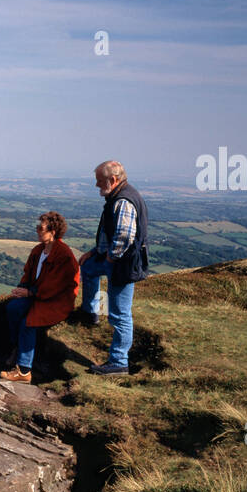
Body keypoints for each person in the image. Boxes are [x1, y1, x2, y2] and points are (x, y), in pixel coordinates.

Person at [72, 159, 149, 375]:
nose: (97, 185)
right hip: (110, 258)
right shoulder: (118, 196)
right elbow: (111, 233)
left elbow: (124, 236)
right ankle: (91, 313)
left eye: (99, 180)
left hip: (122, 264)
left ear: (113, 180)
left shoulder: (123, 200)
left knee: (119, 314)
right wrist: (95, 252)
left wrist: (110, 259)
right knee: (87, 268)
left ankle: (119, 362)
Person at [0, 211, 80, 383]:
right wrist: (21, 289)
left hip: (56, 301)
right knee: (13, 308)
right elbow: (28, 274)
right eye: (37, 227)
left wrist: (30, 293)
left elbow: (57, 286)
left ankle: (23, 371)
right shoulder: (38, 250)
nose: (37, 230)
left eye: (41, 228)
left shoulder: (64, 255)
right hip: (38, 295)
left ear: (53, 231)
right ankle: (18, 347)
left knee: (28, 323)